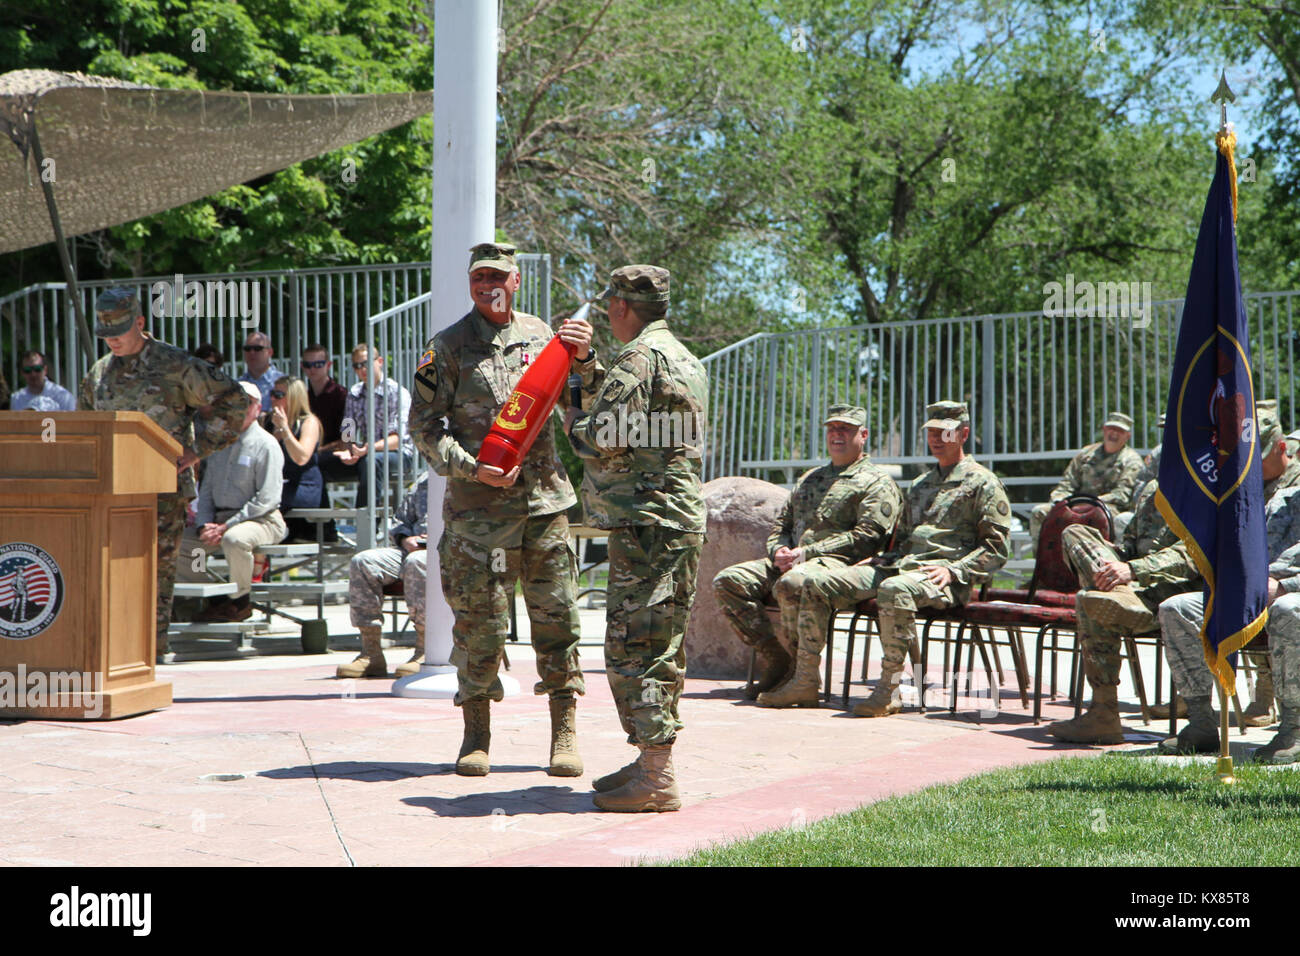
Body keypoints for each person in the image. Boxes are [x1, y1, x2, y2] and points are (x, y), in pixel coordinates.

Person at [410, 240, 595, 778]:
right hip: (477, 513)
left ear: (516, 281)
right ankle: (477, 734)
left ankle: (564, 731)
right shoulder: (446, 347)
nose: (486, 284)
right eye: (477, 277)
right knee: (479, 624)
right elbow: (424, 429)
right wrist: (471, 467)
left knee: (557, 618)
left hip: (544, 506)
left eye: (497, 275)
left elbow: (579, 411)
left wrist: (584, 363)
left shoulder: (545, 339)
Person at [563, 265, 707, 812]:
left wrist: (572, 406)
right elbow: (640, 419)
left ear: (620, 308)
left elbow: (606, 434)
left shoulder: (640, 357)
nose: (606, 314)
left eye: (609, 306)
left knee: (635, 648)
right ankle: (650, 759)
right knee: (658, 644)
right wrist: (588, 368)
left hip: (650, 524)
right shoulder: (682, 356)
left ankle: (657, 774)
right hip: (670, 522)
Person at [778, 401, 1012, 718]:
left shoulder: (983, 483)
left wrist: (955, 570)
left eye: (945, 432)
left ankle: (889, 690)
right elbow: (901, 542)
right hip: (902, 569)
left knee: (894, 590)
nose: (937, 439)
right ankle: (805, 679)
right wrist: (878, 560)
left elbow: (997, 548)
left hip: (944, 577)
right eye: (931, 432)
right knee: (819, 583)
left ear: (963, 433)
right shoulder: (919, 485)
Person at [78, 288, 247, 658]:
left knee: (154, 579)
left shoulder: (176, 365)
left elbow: (235, 400)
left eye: (120, 331)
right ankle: (112, 655)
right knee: (109, 577)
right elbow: (84, 426)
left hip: (162, 490)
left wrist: (196, 450)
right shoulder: (99, 372)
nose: (113, 340)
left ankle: (148, 655)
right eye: (106, 334)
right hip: (112, 492)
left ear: (140, 322)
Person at [712, 404, 902, 705]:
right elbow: (781, 525)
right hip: (795, 561)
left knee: (794, 584)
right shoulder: (810, 478)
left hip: (839, 566)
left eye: (846, 429)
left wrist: (809, 552)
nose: (837, 434)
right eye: (832, 429)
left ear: (863, 435)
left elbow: (868, 536)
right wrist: (779, 550)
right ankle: (778, 660)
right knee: (728, 581)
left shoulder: (876, 482)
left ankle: (803, 677)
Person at [1154, 403, 1300, 753]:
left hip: (1288, 594)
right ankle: (1203, 721)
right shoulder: (1280, 501)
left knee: (1288, 610)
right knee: (1177, 608)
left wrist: (1284, 585)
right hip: (1255, 593)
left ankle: (1294, 727)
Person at [177, 382, 288, 622]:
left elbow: (267, 498)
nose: (241, 407)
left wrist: (226, 526)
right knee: (181, 546)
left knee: (235, 540)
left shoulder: (266, 444)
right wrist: (204, 524)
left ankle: (240, 600)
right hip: (219, 520)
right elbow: (205, 491)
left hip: (262, 520)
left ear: (258, 408)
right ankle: (216, 599)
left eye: (247, 402)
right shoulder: (218, 444)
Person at [339, 473, 431, 679]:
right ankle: (371, 652)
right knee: (363, 561)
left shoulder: (467, 477)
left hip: (452, 553)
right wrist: (405, 539)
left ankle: (426, 650)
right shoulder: (425, 481)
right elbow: (400, 521)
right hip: (413, 550)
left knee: (417, 563)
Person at [1029, 412, 1144, 543]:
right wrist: (1059, 500)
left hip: (1107, 508)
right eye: (1111, 429)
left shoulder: (1131, 461)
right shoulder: (1086, 454)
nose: (1114, 434)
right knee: (1039, 512)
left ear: (1128, 436)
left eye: (1120, 431)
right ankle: (1044, 560)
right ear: (1104, 430)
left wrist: (1090, 503)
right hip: (1074, 505)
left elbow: (1122, 495)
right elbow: (1067, 483)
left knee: (1113, 520)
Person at [338, 343, 414, 508]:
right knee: (320, 462)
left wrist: (368, 449)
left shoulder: (396, 392)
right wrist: (348, 449)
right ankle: (321, 528)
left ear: (379, 361)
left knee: (372, 462)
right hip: (366, 453)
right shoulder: (354, 393)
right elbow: (347, 432)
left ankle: (367, 521)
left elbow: (397, 439)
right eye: (357, 366)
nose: (361, 369)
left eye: (365, 363)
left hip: (399, 454)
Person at [268, 376, 323, 543]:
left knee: (264, 500)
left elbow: (301, 458)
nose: (272, 398)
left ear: (293, 397)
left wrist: (285, 430)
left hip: (303, 485)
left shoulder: (309, 422)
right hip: (279, 483)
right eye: (272, 393)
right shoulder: (268, 420)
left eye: (278, 394)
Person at [10, 350, 76, 411]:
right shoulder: (16, 399)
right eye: (27, 370)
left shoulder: (62, 396)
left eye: (37, 369)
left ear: (45, 370)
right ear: (22, 373)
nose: (33, 374)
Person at [238, 331, 282, 412]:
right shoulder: (237, 385)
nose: (252, 352)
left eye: (257, 348)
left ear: (270, 352)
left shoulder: (283, 383)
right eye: (247, 349)